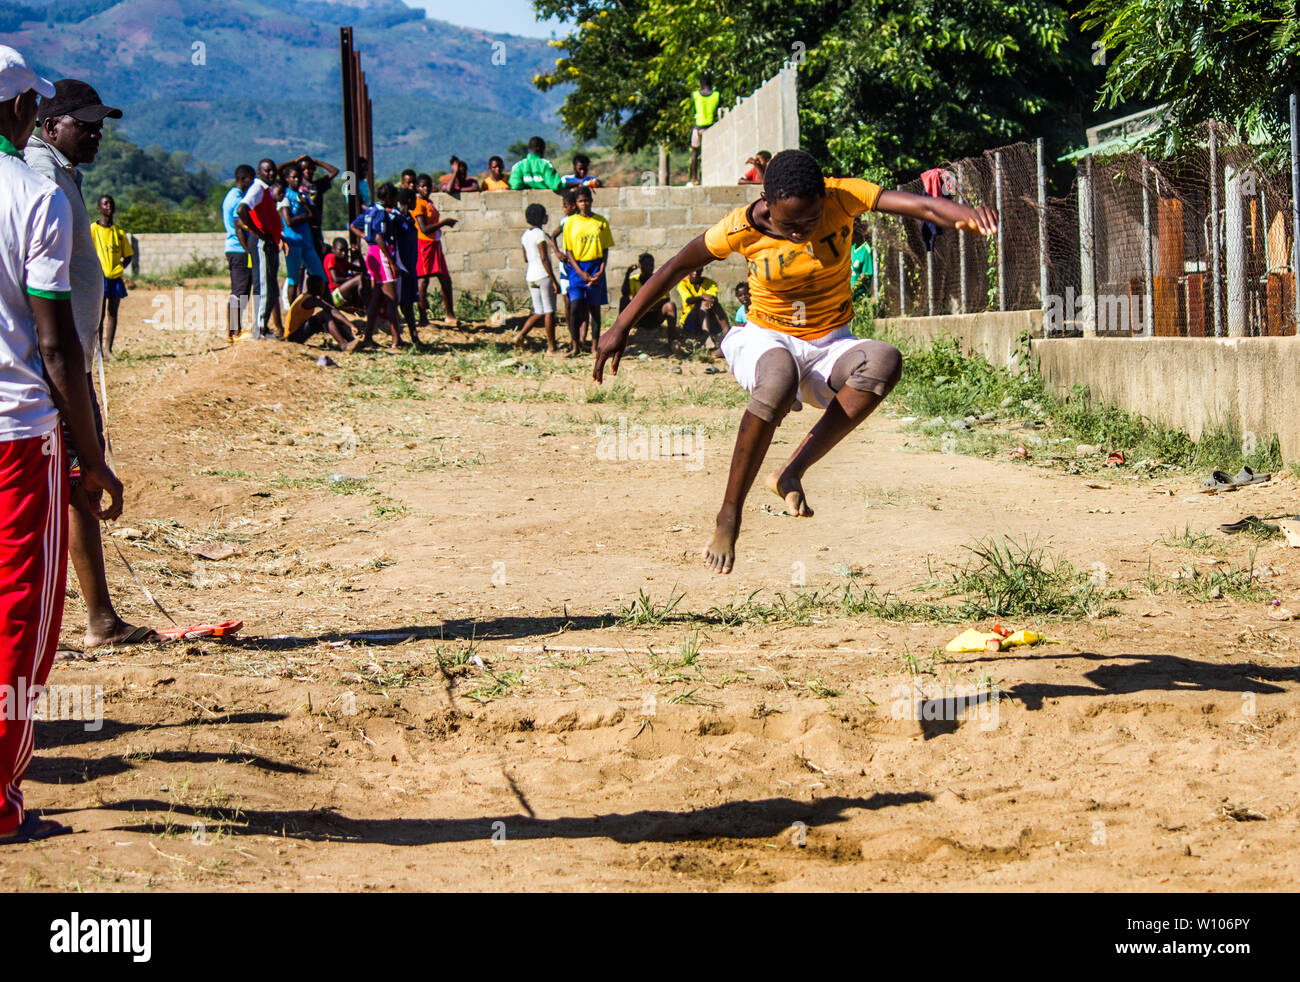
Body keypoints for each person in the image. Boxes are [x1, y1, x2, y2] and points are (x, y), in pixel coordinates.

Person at [594, 148, 997, 574]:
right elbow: (675, 268)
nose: (803, 232)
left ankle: (790, 473)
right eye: (790, 225)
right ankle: (729, 513)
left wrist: (962, 213)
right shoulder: (740, 227)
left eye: (811, 220)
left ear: (823, 198)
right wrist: (622, 325)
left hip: (830, 343)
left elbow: (917, 203)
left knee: (884, 360)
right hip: (765, 338)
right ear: (767, 204)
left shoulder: (842, 195)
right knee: (779, 377)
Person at [0, 46, 123, 843]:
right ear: (21, 112)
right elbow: (55, 347)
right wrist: (90, 450)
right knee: (20, 614)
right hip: (16, 432)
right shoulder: (33, 196)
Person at [24, 78, 151, 650]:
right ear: (49, 125)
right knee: (78, 481)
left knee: (71, 484)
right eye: (85, 123)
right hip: (52, 363)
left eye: (101, 123)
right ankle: (97, 619)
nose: (97, 132)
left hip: (59, 356)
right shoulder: (43, 180)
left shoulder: (59, 175)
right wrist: (62, 367)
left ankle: (97, 615)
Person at [349, 182, 403, 348]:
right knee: (391, 299)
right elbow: (380, 237)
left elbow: (353, 225)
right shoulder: (380, 213)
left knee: (377, 297)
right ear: (387, 197)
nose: (395, 202)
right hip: (380, 253)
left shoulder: (370, 210)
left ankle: (368, 337)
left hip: (372, 253)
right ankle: (396, 340)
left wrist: (366, 238)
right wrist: (391, 262)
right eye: (394, 198)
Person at [236, 157, 285, 339]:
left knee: (271, 285)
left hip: (270, 242)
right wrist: (259, 232)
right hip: (261, 243)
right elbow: (242, 210)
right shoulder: (257, 189)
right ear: (259, 173)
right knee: (263, 285)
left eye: (273, 170)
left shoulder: (266, 190)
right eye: (267, 170)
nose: (271, 173)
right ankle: (259, 330)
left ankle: (263, 327)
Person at [562, 185, 612, 353]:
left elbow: (605, 249)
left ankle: (594, 347)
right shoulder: (570, 223)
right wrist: (580, 272)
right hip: (577, 268)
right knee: (575, 307)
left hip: (596, 266)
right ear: (576, 203)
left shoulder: (601, 222)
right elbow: (568, 251)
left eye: (587, 200)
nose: (584, 204)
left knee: (594, 309)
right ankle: (575, 346)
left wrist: (601, 270)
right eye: (581, 201)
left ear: (591, 201)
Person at [515, 203, 561, 352]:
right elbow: (544, 258)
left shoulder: (525, 235)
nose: (546, 216)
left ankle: (520, 335)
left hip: (531, 276)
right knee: (549, 312)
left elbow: (525, 258)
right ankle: (552, 347)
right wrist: (554, 280)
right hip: (543, 276)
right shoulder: (539, 235)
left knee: (539, 312)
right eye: (545, 214)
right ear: (541, 218)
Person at [278, 162, 326, 305]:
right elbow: (289, 221)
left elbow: (315, 215)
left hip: (307, 242)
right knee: (294, 279)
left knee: (321, 277)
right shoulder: (284, 196)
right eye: (293, 177)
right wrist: (307, 214)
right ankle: (292, 313)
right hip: (293, 242)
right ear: (287, 178)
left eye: (298, 177)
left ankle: (327, 310)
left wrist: (307, 208)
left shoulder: (302, 195)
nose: (297, 180)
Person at [412, 173, 457, 326]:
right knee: (423, 280)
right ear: (417, 188)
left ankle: (450, 315)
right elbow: (424, 228)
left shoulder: (429, 202)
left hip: (435, 243)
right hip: (424, 244)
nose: (426, 188)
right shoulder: (418, 204)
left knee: (445, 278)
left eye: (428, 185)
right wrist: (444, 223)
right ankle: (423, 318)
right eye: (423, 186)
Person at [90, 193, 131, 355]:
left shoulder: (119, 232)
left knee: (112, 313)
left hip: (115, 278)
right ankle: (97, 349)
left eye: (111, 203)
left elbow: (128, 255)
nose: (109, 206)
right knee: (98, 315)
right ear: (99, 208)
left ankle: (108, 349)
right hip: (99, 278)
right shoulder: (93, 230)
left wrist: (119, 268)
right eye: (105, 204)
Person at [222, 164, 255, 341]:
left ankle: (236, 329)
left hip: (239, 249)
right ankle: (234, 332)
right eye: (251, 178)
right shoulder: (236, 199)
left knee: (243, 292)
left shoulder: (236, 195)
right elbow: (238, 225)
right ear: (243, 179)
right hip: (239, 250)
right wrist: (248, 250)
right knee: (239, 291)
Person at [293, 154, 339, 260]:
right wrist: (296, 161)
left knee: (318, 255)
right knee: (302, 260)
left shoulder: (318, 185)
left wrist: (317, 162)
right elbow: (279, 171)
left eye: (310, 168)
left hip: (315, 227)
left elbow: (334, 171)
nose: (307, 171)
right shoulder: (296, 185)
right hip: (301, 226)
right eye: (304, 169)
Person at [550, 188, 578, 352]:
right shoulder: (565, 221)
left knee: (580, 303)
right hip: (567, 265)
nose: (564, 209)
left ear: (573, 206)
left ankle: (580, 338)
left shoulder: (581, 220)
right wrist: (557, 252)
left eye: (565, 205)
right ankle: (572, 336)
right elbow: (552, 236)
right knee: (567, 301)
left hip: (580, 265)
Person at [392, 187, 421, 344]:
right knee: (399, 303)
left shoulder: (409, 218)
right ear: (409, 201)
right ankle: (397, 338)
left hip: (410, 266)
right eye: (415, 199)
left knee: (409, 303)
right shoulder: (395, 219)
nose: (416, 202)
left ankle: (414, 335)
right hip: (400, 267)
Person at [619, 253, 675, 335]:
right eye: (646, 265)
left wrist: (646, 305)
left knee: (670, 305)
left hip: (654, 316)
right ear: (640, 266)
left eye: (651, 265)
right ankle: (620, 334)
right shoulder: (634, 280)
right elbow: (625, 293)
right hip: (639, 317)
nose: (649, 267)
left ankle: (673, 338)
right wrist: (627, 273)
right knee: (623, 300)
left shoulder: (659, 281)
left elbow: (666, 300)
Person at [283, 292, 360, 351]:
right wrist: (351, 325)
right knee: (325, 314)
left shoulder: (306, 296)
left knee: (326, 316)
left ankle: (351, 340)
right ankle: (343, 345)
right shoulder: (310, 300)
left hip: (297, 332)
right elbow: (331, 310)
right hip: (293, 337)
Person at [674, 267, 727, 346]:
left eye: (698, 270)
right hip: (690, 320)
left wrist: (708, 300)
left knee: (715, 304)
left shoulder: (710, 283)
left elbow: (712, 297)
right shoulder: (683, 284)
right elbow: (688, 300)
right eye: (693, 270)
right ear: (689, 271)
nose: (695, 272)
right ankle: (707, 336)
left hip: (708, 314)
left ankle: (727, 332)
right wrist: (702, 297)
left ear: (701, 270)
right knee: (702, 304)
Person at [688, 73, 720, 186]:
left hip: (698, 127)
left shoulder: (695, 95)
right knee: (710, 154)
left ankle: (694, 178)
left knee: (695, 152)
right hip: (710, 127)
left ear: (701, 83)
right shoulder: (716, 95)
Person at [324, 236, 365, 310]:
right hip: (333, 296)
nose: (344, 253)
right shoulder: (330, 257)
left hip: (342, 295)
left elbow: (363, 270)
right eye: (341, 250)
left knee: (363, 277)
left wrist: (358, 254)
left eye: (346, 251)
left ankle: (358, 306)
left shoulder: (343, 262)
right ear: (333, 250)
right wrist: (350, 279)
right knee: (359, 278)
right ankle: (360, 306)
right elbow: (335, 279)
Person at [850, 218, 874, 296]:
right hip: (848, 297)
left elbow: (866, 275)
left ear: (857, 234)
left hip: (859, 298)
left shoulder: (866, 250)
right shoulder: (852, 247)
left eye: (851, 234)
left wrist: (853, 289)